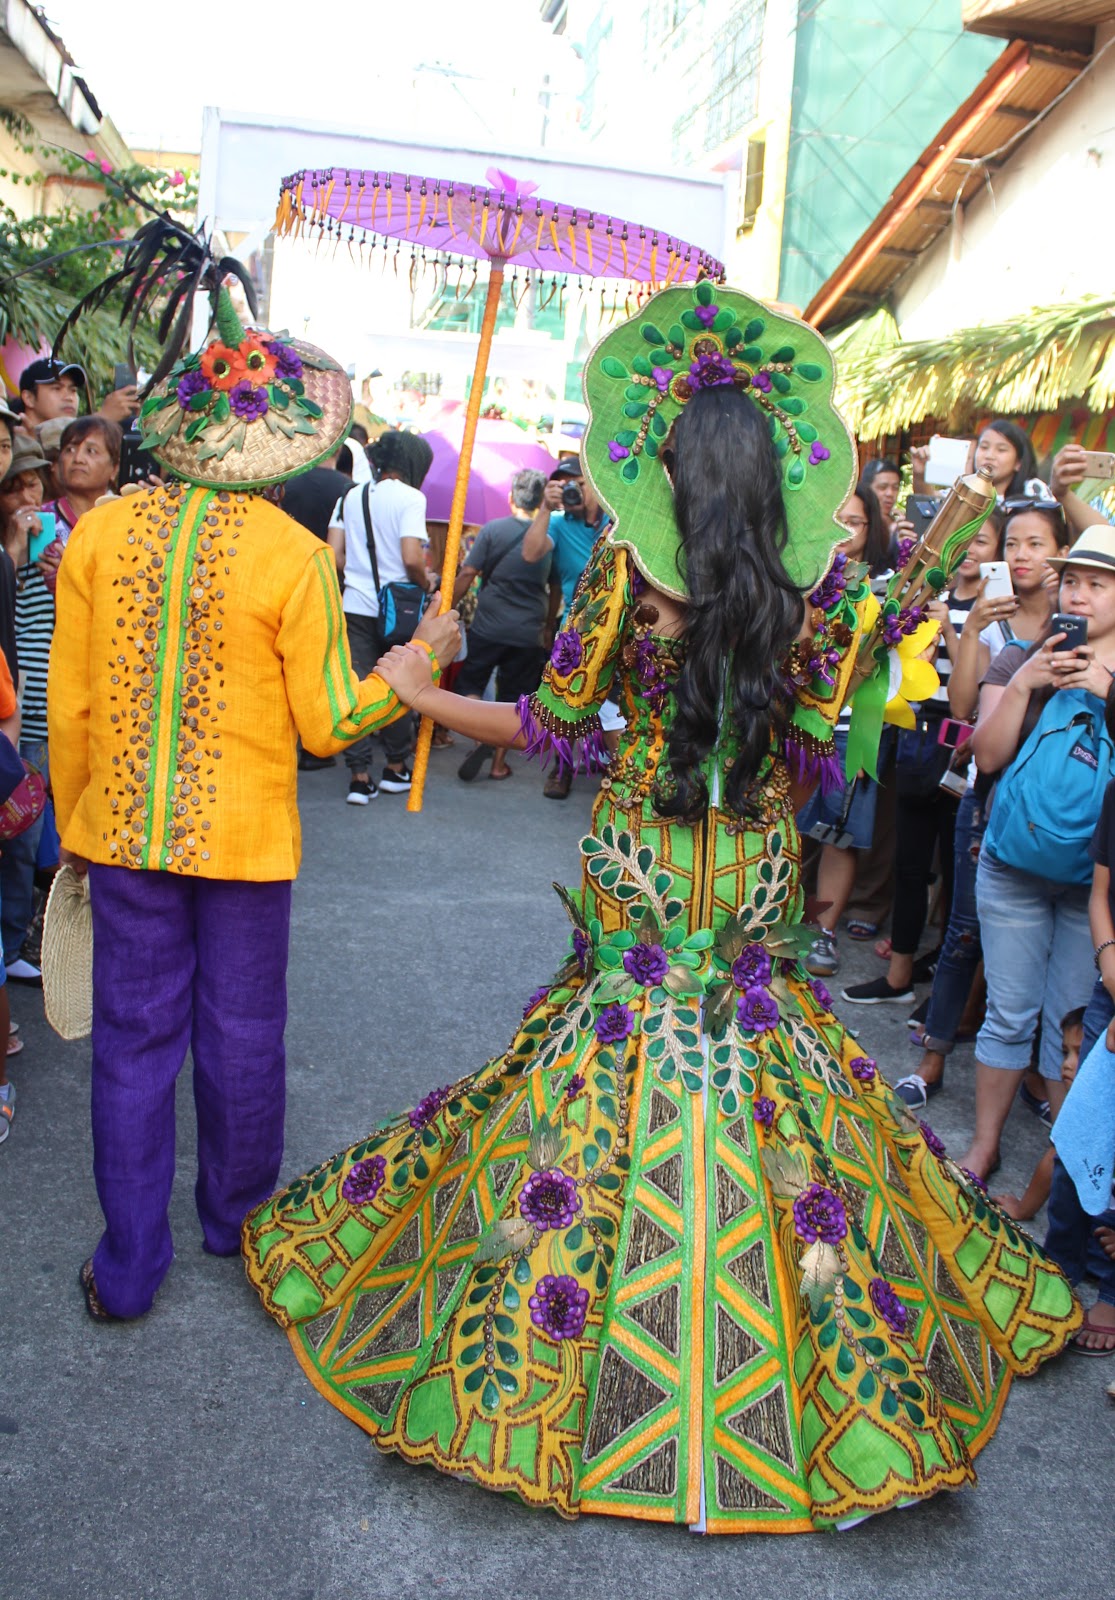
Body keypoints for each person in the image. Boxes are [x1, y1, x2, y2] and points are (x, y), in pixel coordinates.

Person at [243, 283, 1079, 1533]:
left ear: (672, 466)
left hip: (640, 866)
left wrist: (418, 690)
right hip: (746, 880)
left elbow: (548, 727)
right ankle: (817, 1358)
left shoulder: (631, 578)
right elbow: (870, 651)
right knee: (786, 1107)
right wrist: (924, 548)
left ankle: (546, 1358)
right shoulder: (822, 594)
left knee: (584, 1098)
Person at [47, 288, 461, 1321]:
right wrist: (417, 664)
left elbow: (69, 707)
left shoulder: (98, 535)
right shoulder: (290, 556)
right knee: (241, 1034)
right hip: (243, 846)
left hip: (124, 837)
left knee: (132, 1047)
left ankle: (130, 1266)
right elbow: (327, 723)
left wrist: (78, 828)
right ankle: (238, 1222)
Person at [957, 524, 1115, 1180]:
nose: (1078, 595)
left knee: (1068, 1028)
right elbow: (985, 757)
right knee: (1007, 1012)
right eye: (1072, 580)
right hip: (1011, 864)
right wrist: (1024, 681)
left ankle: (1061, 1178)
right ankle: (983, 1145)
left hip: (1091, 884)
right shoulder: (1025, 653)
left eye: (1097, 584)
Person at [798, 483, 892, 976]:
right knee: (782, 821)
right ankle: (771, 915)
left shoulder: (890, 588)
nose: (846, 530)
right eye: (838, 519)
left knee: (840, 835)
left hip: (852, 726)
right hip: (794, 717)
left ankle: (823, 932)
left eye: (856, 522)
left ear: (870, 528)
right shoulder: (799, 571)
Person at [332, 431, 438, 804]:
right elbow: (412, 557)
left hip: (355, 607)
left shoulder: (350, 495)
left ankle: (359, 778)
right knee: (399, 685)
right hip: (401, 610)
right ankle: (395, 767)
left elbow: (335, 555)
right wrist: (427, 582)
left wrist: (360, 579)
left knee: (358, 688)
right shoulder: (412, 498)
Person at [453, 468, 561, 782]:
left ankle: (480, 737)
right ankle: (498, 764)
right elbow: (554, 589)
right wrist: (547, 628)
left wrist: (446, 605)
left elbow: (467, 574)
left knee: (469, 686)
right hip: (528, 632)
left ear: (512, 497)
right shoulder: (549, 542)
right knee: (514, 699)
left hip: (488, 627)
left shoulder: (492, 531)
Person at [522, 456, 612, 798]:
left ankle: (618, 766)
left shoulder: (614, 521)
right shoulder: (558, 523)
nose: (572, 490)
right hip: (576, 629)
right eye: (563, 485)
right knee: (566, 700)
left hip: (619, 625)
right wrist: (545, 507)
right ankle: (562, 771)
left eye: (578, 482)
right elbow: (530, 554)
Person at [280, 442, 355, 540]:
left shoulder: (285, 485)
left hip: (294, 551)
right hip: (333, 553)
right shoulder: (352, 490)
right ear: (339, 449)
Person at [17, 357, 85, 434]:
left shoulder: (81, 441)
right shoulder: (8, 442)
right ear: (29, 398)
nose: (69, 398)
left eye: (73, 390)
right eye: (57, 388)